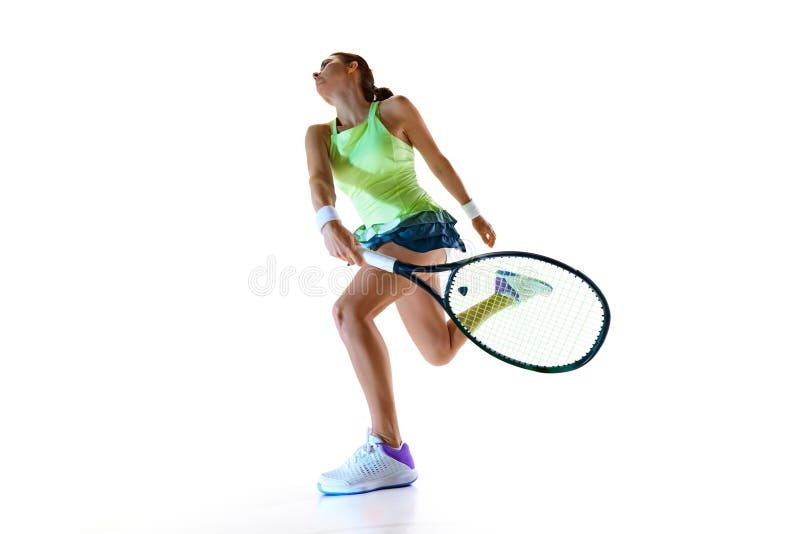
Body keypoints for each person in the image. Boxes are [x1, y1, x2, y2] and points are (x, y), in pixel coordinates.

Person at [306, 52, 497, 495]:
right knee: (439, 349)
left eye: (326, 64)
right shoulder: (319, 135)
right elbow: (319, 182)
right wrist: (328, 220)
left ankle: (388, 449)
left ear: (353, 68)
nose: (315, 73)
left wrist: (474, 214)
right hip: (379, 244)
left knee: (348, 313)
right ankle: (504, 293)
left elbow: (438, 161)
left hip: (420, 228)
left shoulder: (392, 111)